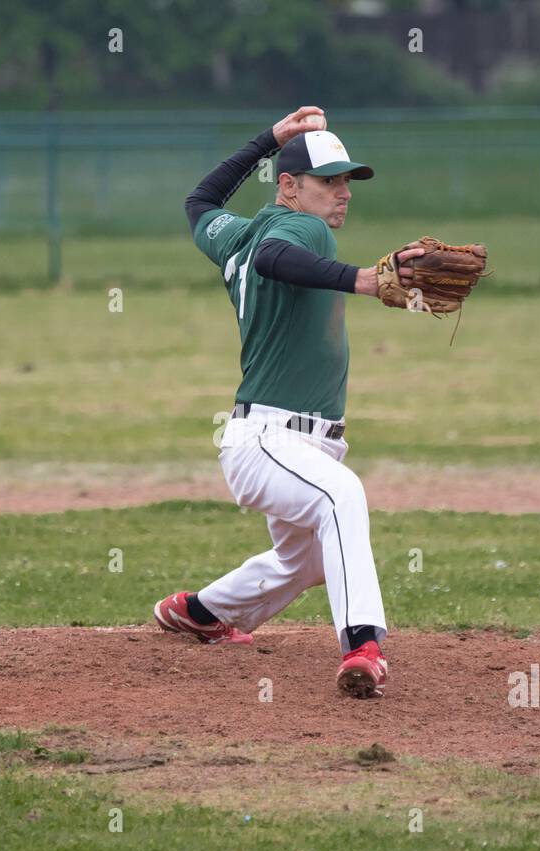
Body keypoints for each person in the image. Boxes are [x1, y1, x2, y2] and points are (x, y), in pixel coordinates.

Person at [153, 106, 421, 699]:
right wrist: (361, 280)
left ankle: (200, 611)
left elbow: (200, 201)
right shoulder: (301, 228)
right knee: (341, 497)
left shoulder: (234, 236)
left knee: (304, 562)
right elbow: (278, 257)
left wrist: (269, 139)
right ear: (290, 188)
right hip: (271, 439)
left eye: (347, 181)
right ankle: (363, 646)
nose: (343, 194)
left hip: (283, 440)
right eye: (330, 182)